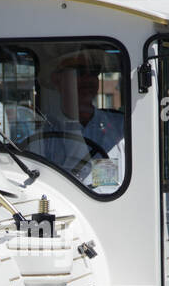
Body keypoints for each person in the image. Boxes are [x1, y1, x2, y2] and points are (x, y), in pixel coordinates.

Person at [44, 49, 125, 192]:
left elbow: (106, 187)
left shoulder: (120, 126)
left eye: (94, 72)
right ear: (57, 79)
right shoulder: (43, 133)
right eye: (79, 72)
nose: (88, 80)